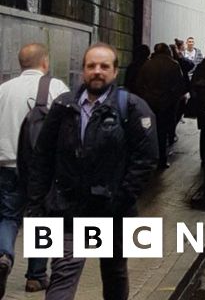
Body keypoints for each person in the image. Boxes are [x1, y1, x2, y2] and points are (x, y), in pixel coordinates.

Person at [26, 42, 158, 300]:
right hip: (67, 209)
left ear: (115, 72)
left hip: (112, 211)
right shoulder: (63, 107)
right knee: (62, 274)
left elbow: (146, 159)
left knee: (114, 272)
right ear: (83, 71)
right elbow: (42, 156)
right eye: (91, 66)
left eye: (104, 66)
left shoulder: (132, 107)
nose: (97, 71)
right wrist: (36, 203)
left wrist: (122, 198)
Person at [0, 44, 69, 296]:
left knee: (8, 216)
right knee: (41, 219)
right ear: (45, 62)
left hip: (6, 165)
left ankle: (4, 255)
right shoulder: (56, 88)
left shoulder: (2, 90)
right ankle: (36, 277)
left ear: (21, 63)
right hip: (41, 169)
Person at [134, 43, 187, 169]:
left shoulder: (147, 65)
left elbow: (139, 84)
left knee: (149, 130)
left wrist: (146, 97)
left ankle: (149, 157)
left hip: (150, 103)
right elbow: (180, 85)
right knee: (163, 132)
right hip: (167, 104)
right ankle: (162, 159)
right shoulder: (173, 65)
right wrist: (172, 99)